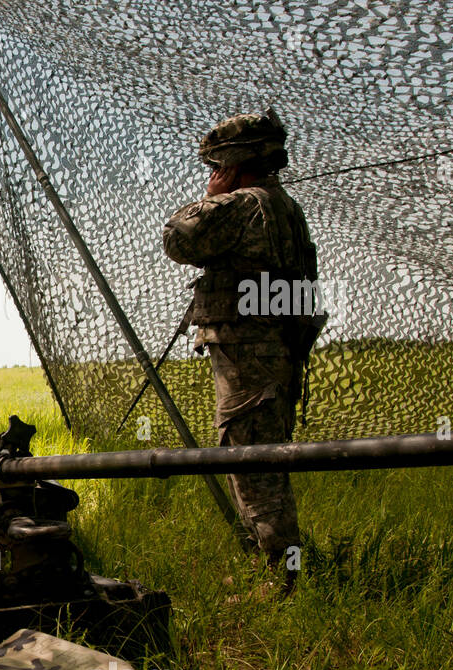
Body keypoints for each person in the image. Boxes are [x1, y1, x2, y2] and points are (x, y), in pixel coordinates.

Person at [162, 109, 324, 588]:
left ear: (232, 164)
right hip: (272, 353)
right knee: (258, 462)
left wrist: (211, 197)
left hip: (250, 355)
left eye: (217, 167)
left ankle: (285, 582)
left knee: (254, 468)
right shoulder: (283, 206)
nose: (213, 176)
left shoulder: (245, 203)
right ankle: (275, 567)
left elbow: (178, 238)